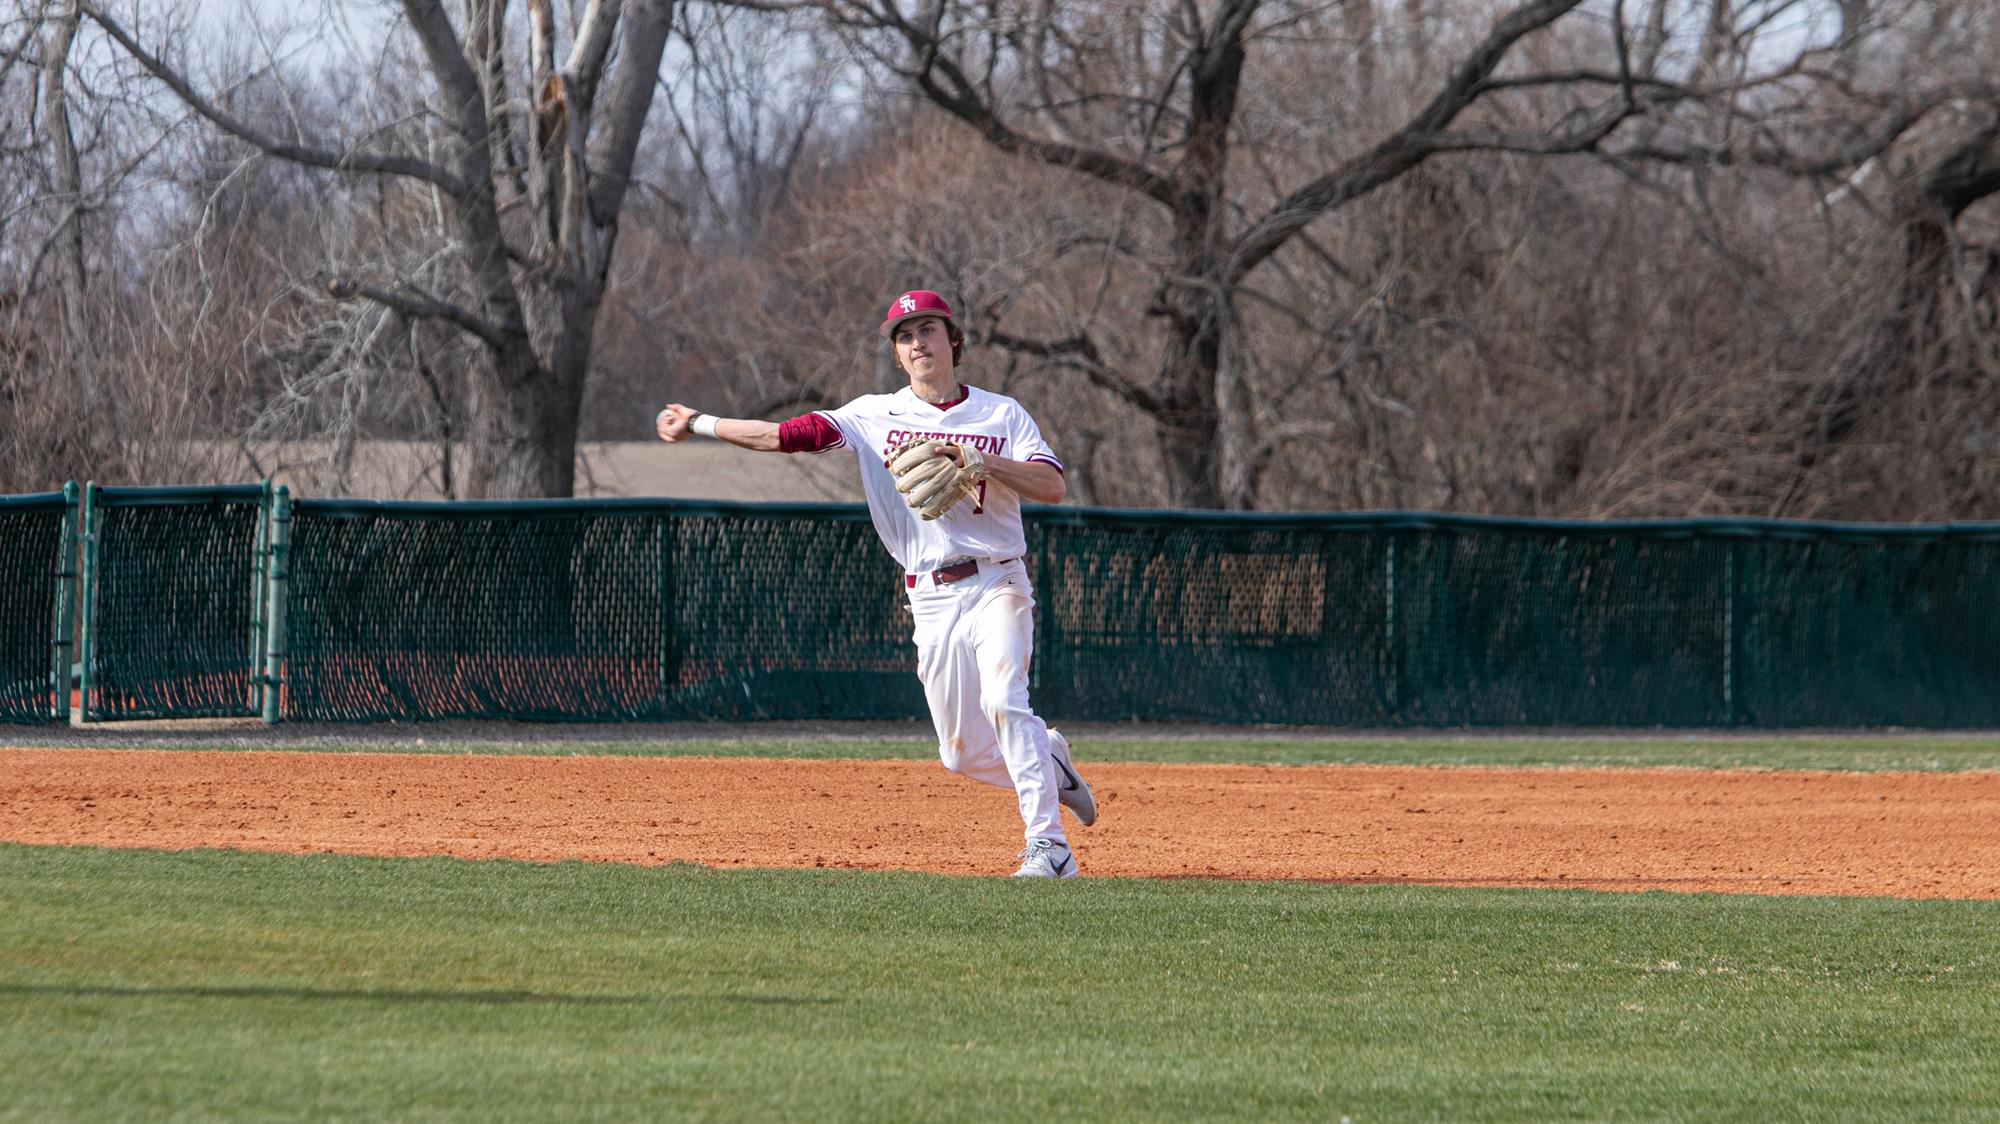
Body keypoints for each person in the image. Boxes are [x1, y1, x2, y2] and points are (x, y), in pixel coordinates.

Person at [654, 289, 1098, 878]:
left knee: (1003, 700)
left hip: (998, 581)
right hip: (931, 596)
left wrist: (981, 461)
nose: (919, 342)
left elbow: (1052, 486)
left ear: (952, 340)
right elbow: (780, 436)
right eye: (906, 335)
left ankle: (1051, 847)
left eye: (929, 330)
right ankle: (1051, 761)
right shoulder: (871, 416)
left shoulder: (1001, 414)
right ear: (897, 352)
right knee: (960, 754)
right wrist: (698, 423)